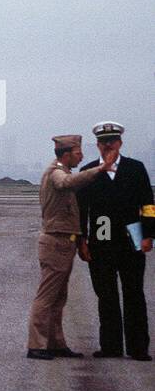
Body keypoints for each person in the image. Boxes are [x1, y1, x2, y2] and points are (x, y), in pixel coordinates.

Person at [26, 134, 113, 360]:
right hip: (56, 241)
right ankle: (36, 345)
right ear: (66, 155)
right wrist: (100, 169)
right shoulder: (56, 172)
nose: (81, 156)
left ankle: (55, 343)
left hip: (63, 241)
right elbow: (66, 183)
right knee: (46, 297)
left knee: (58, 298)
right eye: (77, 153)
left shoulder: (63, 171)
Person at [77, 122, 154, 361]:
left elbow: (148, 206)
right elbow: (82, 210)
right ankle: (110, 346)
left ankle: (138, 347)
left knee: (134, 294)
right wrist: (81, 241)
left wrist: (149, 235)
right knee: (106, 295)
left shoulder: (135, 168)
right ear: (97, 145)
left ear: (120, 143)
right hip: (101, 241)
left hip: (132, 239)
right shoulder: (88, 171)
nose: (108, 145)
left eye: (112, 141)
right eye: (103, 142)